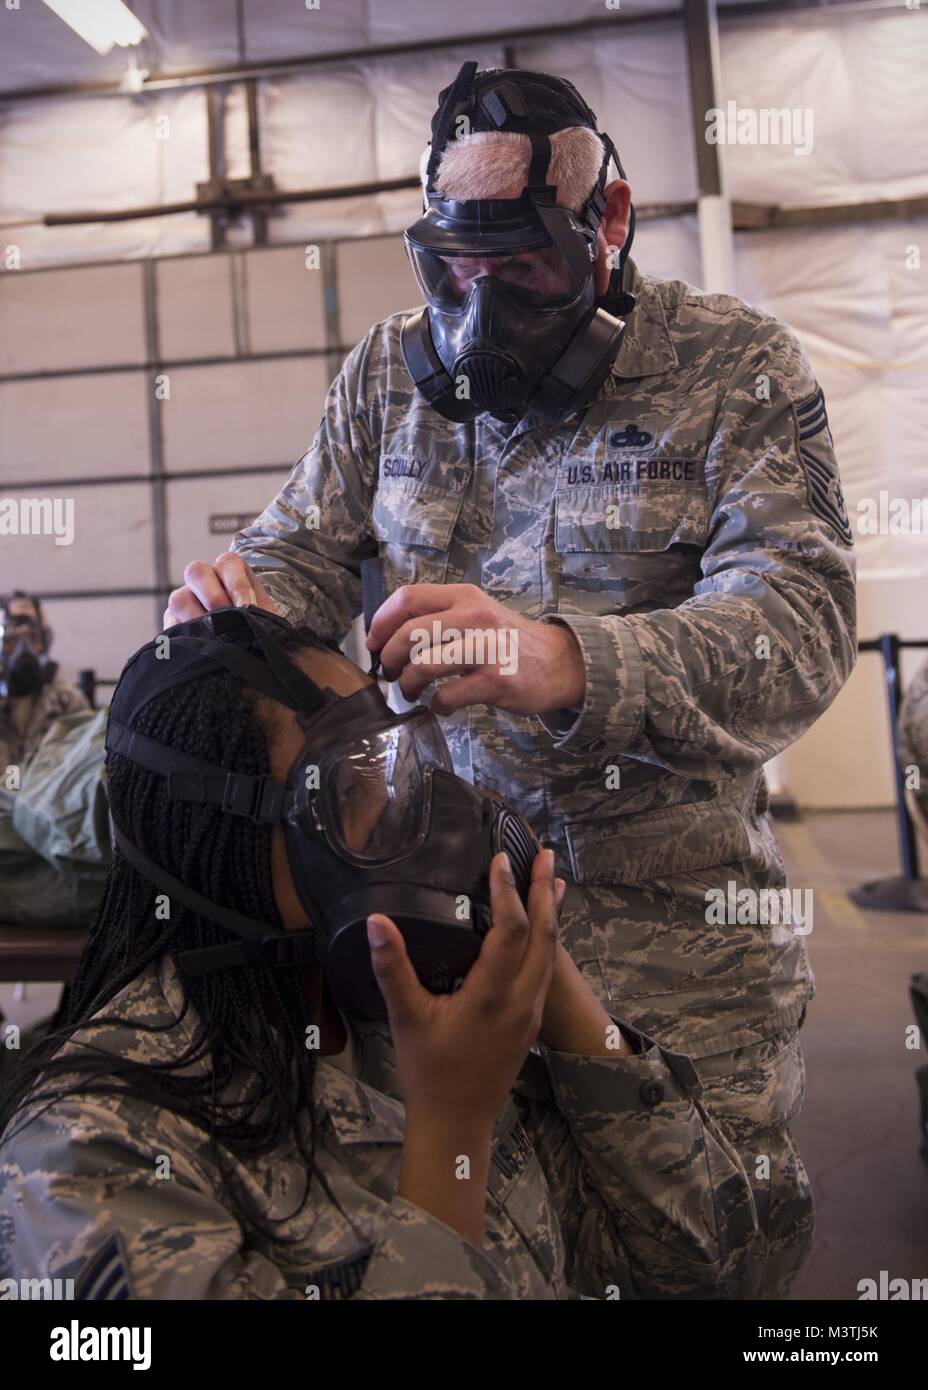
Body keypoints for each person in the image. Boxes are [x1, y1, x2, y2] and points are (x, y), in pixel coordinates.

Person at [162, 64, 857, 1297]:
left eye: (519, 262)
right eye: (452, 263)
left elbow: (800, 634)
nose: (478, 304)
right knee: (478, 1249)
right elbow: (297, 550)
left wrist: (566, 656)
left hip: (673, 959)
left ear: (610, 222)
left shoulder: (731, 367)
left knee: (698, 1262)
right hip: (442, 928)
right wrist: (235, 597)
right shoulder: (389, 371)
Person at [0, 612, 760, 1300]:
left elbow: (708, 1269)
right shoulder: (90, 1160)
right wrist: (451, 1133)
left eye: (402, 766)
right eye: (355, 788)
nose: (420, 813)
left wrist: (552, 981)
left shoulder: (414, 1013)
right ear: (220, 838)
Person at [0, 591, 88, 777]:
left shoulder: (68, 702)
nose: (23, 651)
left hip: (48, 805)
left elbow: (85, 769)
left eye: (32, 639)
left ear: (45, 642)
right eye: (12, 640)